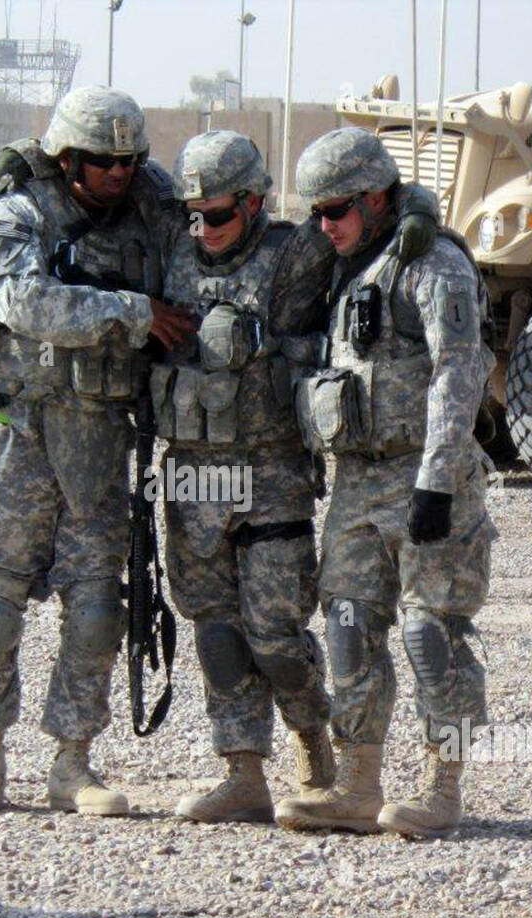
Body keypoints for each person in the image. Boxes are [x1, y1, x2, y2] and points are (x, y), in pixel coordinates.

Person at [0, 85, 194, 817]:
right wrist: (133, 313)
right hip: (11, 431)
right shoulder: (13, 215)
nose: (116, 175)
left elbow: (209, 250)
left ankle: (72, 761)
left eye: (128, 161)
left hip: (96, 430)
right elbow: (26, 304)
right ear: (64, 158)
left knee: (97, 606)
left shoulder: (149, 212)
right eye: (99, 162)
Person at [274, 127, 497, 838]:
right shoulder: (349, 265)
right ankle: (359, 781)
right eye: (315, 212)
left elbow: (459, 369)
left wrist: (436, 481)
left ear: (375, 197)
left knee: (432, 632)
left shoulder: (433, 265)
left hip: (427, 475)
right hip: (359, 480)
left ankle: (443, 786)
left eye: (336, 209)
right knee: (345, 621)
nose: (324, 225)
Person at [155, 131, 337, 823]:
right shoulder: (171, 251)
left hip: (270, 472)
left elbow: (369, 224)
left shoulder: (296, 254)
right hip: (195, 473)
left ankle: (312, 735)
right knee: (217, 630)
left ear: (256, 202)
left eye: (219, 215)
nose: (203, 229)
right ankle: (242, 772)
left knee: (276, 635)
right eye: (193, 214)